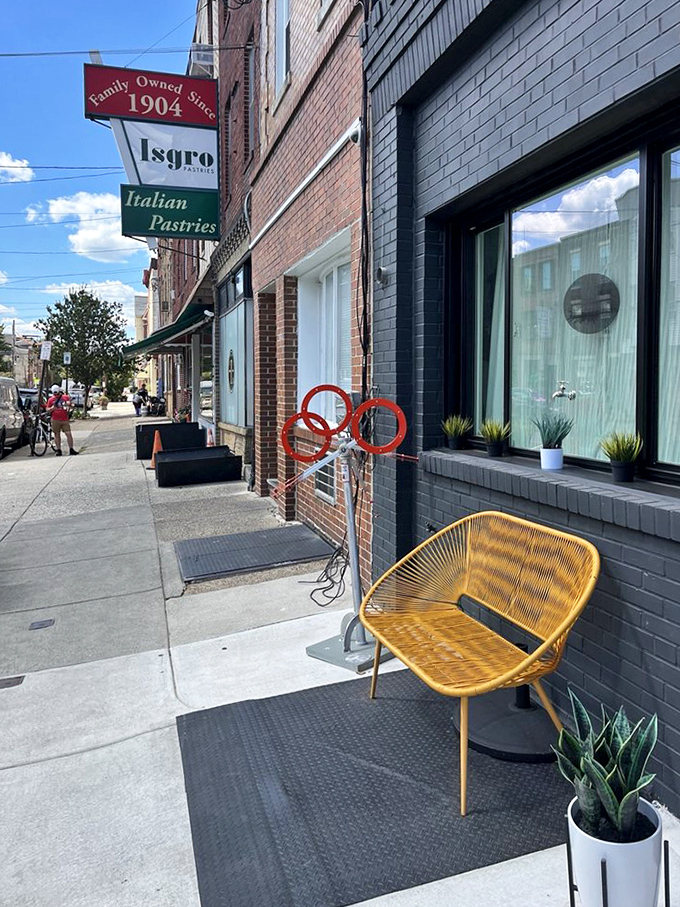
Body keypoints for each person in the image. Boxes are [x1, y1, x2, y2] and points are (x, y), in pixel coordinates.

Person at [46, 385, 78, 456]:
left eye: (56, 393)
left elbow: (72, 405)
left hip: (64, 419)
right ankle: (59, 449)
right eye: (54, 393)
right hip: (55, 419)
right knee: (57, 434)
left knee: (68, 433)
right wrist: (52, 408)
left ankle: (71, 449)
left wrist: (70, 404)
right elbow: (47, 410)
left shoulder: (65, 397)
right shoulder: (51, 400)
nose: (56, 395)